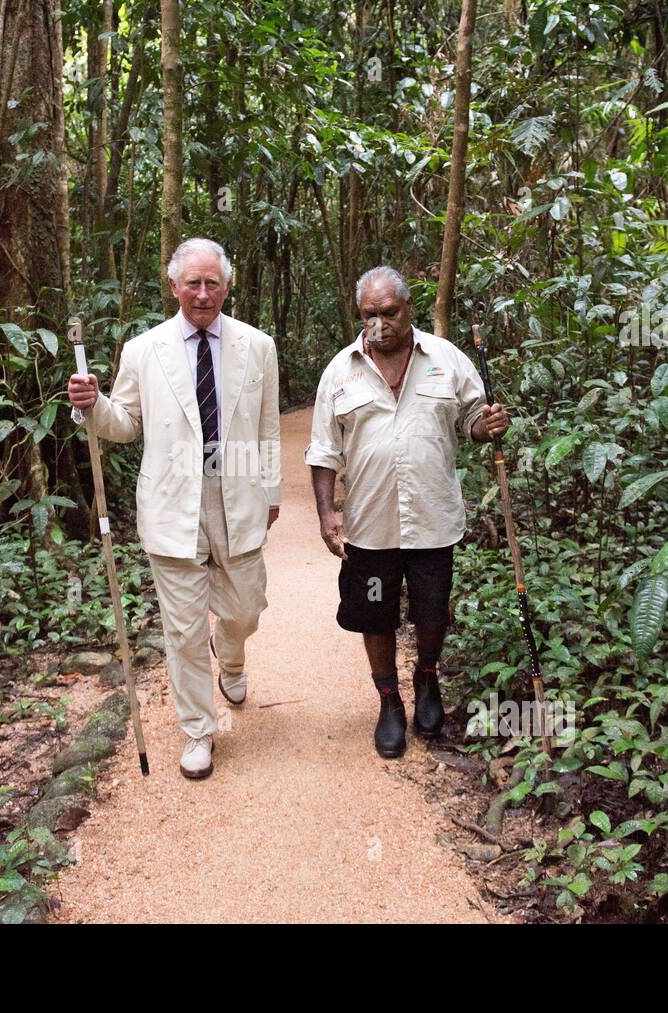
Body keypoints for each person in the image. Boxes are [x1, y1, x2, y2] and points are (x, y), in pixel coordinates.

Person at [67, 238, 281, 779]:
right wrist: (93, 407)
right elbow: (125, 425)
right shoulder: (144, 350)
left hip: (237, 494)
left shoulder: (258, 346)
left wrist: (271, 492)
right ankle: (197, 732)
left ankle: (230, 657)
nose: (203, 294)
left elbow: (268, 425)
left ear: (228, 286)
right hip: (172, 502)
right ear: (174, 286)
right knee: (182, 630)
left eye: (213, 283)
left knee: (245, 611)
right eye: (193, 283)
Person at [305, 266, 509, 758]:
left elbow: (471, 420)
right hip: (370, 528)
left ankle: (427, 680)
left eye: (389, 312)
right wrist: (327, 514)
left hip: (433, 520)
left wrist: (489, 425)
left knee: (431, 611)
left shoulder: (447, 359)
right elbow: (323, 450)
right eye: (370, 315)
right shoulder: (340, 372)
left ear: (409, 309)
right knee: (375, 616)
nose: (380, 324)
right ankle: (389, 700)